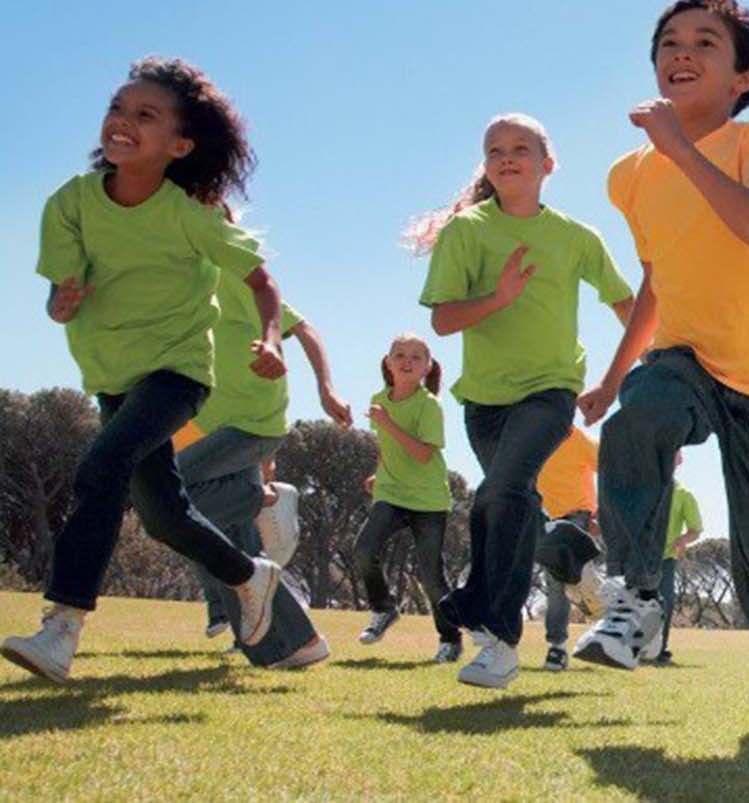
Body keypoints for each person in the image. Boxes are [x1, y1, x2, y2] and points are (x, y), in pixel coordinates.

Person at [573, 0, 749, 728]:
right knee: (637, 418)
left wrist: (682, 152)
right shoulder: (630, 176)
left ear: (741, 78)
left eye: (705, 43)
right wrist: (613, 376)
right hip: (683, 354)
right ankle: (636, 599)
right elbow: (656, 279)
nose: (682, 52)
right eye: (669, 41)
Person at [3, 58, 287, 681]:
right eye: (117, 107)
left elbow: (260, 279)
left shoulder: (188, 213)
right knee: (163, 517)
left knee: (101, 467)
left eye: (145, 115)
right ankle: (249, 576)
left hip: (178, 373)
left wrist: (273, 339)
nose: (122, 121)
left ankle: (61, 628)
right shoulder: (70, 203)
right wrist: (60, 301)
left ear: (179, 145)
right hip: (113, 377)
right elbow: (59, 295)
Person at [415, 113, 633, 688]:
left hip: (551, 389)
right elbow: (442, 320)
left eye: (520, 149)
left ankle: (497, 638)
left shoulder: (576, 237)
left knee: (501, 492)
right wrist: (499, 296)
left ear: (547, 164)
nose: (507, 158)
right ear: (486, 165)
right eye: (495, 150)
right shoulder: (467, 232)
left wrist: (614, 380)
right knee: (511, 507)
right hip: (484, 402)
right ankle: (571, 557)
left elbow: (626, 306)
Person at [172, 208, 350, 670]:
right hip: (217, 425)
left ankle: (262, 499)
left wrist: (325, 388)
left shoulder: (233, 274)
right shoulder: (183, 283)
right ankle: (293, 643)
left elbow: (303, 328)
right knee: (225, 543)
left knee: (173, 493)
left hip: (253, 421)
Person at [355, 334, 463, 662]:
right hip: (391, 492)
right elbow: (387, 446)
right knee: (364, 549)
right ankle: (383, 608)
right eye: (400, 354)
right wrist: (378, 471)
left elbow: (420, 454)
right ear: (388, 362)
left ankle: (450, 638)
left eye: (416, 357)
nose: (407, 361)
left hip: (428, 500)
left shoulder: (429, 405)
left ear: (427, 367)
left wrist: (386, 422)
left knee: (431, 575)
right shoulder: (379, 398)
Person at [535, 424, 604, 672]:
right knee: (557, 581)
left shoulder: (582, 441)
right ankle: (557, 646)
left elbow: (608, 471)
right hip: (544, 517)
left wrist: (601, 514)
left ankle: (600, 618)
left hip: (577, 515)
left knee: (566, 579)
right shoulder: (536, 437)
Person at [643, 476, 703, 664]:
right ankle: (636, 647)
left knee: (664, 602)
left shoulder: (684, 495)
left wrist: (682, 540)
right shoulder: (643, 489)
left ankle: (659, 648)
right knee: (638, 600)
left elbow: (695, 529)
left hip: (666, 558)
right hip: (639, 556)